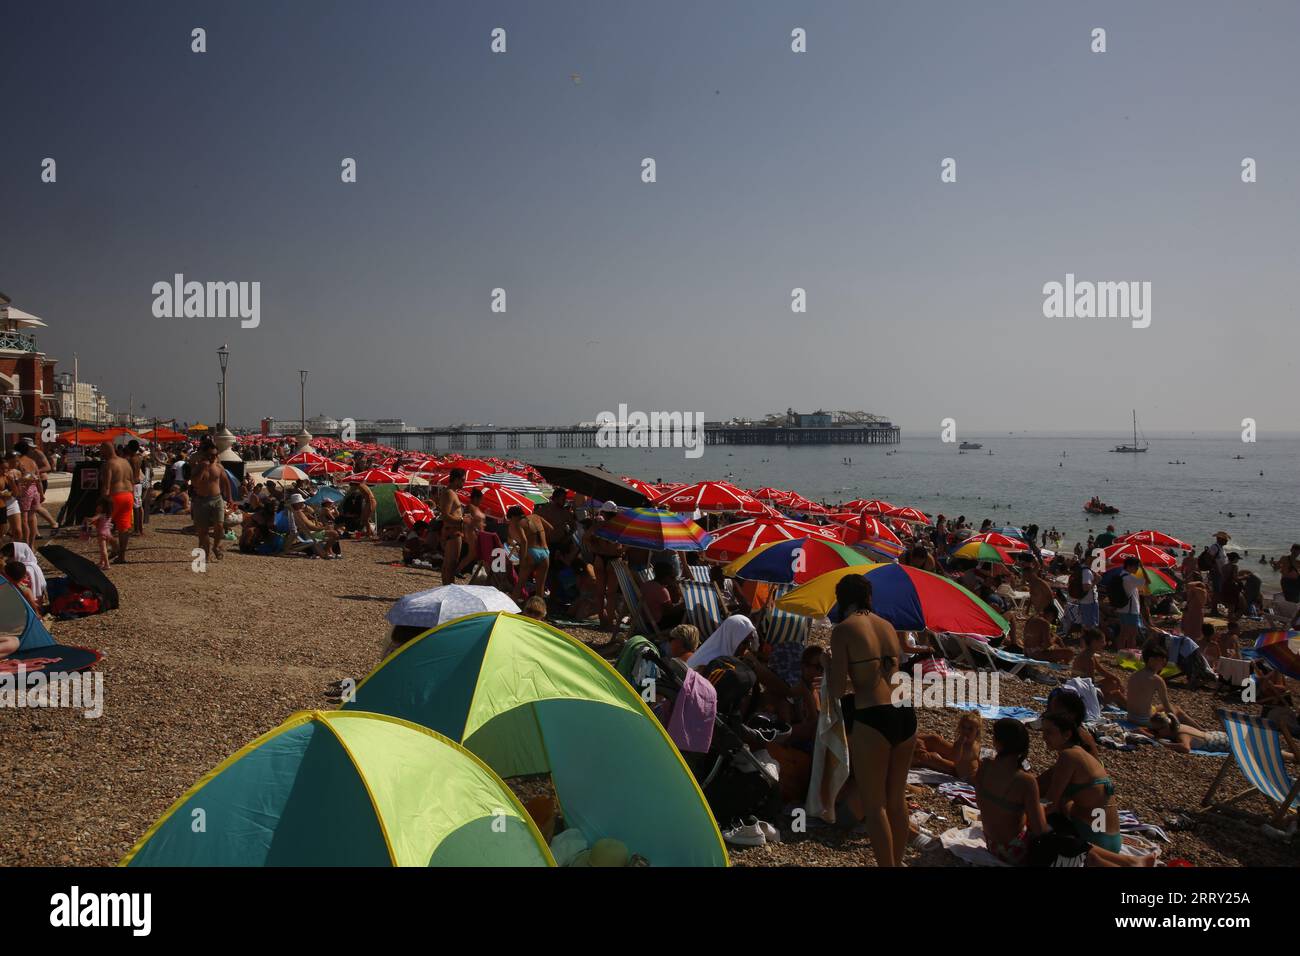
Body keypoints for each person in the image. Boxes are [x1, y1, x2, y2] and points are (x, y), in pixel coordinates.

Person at [826, 574, 914, 867]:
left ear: (842, 600)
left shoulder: (843, 630)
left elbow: (838, 690)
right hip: (905, 712)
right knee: (897, 800)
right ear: (868, 598)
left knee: (875, 806)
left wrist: (828, 665)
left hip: (873, 716)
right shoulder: (888, 626)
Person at [1125, 640, 1199, 729]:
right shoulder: (1156, 679)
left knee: (1160, 707)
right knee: (1177, 710)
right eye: (1162, 660)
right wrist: (1175, 724)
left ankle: (1200, 729)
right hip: (1145, 721)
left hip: (1130, 717)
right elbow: (1167, 707)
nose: (1163, 664)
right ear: (1151, 660)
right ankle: (1201, 731)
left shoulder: (1134, 675)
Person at [189, 441, 232, 563]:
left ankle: (216, 546)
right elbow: (195, 483)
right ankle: (206, 554)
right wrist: (203, 468)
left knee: (219, 526)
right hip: (201, 501)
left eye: (215, 455)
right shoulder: (198, 467)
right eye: (210, 455)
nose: (213, 457)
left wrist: (229, 497)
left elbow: (225, 481)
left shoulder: (218, 466)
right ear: (204, 454)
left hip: (217, 499)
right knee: (203, 531)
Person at [913, 712, 981, 781]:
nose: (966, 731)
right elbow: (955, 759)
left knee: (934, 754)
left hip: (973, 773)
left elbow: (976, 757)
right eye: (963, 727)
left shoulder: (976, 744)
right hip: (963, 775)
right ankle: (910, 741)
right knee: (933, 745)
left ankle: (919, 750)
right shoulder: (959, 744)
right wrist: (960, 744)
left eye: (970, 729)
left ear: (977, 731)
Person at [506, 505, 553, 601]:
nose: (511, 522)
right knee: (540, 587)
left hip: (531, 552)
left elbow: (524, 541)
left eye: (510, 520)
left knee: (519, 585)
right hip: (545, 552)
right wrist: (542, 538)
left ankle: (510, 611)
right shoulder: (536, 516)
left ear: (513, 517)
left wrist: (522, 560)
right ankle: (539, 613)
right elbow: (550, 528)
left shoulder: (519, 523)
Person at [98, 441, 135, 563]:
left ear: (105, 450)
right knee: (124, 528)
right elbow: (132, 480)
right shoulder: (125, 462)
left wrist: (102, 501)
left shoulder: (109, 464)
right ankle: (121, 556)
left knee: (102, 524)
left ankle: (115, 546)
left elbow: (106, 486)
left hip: (115, 496)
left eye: (101, 449)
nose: (100, 452)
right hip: (128, 495)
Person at [1071, 629, 1127, 709]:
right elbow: (1091, 685)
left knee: (1112, 682)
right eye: (1102, 641)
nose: (1104, 644)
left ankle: (1123, 705)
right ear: (1094, 642)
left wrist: (1117, 679)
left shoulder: (1089, 654)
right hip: (1083, 697)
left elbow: (1102, 671)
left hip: (1080, 690)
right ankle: (1134, 713)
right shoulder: (1088, 659)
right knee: (1117, 695)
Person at [437, 469, 467, 585]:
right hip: (453, 531)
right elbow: (445, 515)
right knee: (451, 566)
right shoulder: (450, 493)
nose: (464, 483)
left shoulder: (450, 492)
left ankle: (446, 590)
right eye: (463, 480)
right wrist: (463, 520)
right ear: (456, 479)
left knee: (447, 565)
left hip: (450, 531)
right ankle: (448, 591)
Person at [639, 560, 686, 630]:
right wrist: (684, 605)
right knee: (686, 613)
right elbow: (670, 611)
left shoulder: (646, 584)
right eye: (672, 577)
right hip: (657, 624)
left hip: (645, 621)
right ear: (665, 577)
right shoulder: (662, 590)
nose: (674, 579)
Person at [1116, 556, 1144, 649]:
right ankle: (1130, 654)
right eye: (1136, 566)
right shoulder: (1130, 578)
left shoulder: (1121, 575)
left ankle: (1121, 653)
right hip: (1130, 610)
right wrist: (1143, 568)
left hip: (1122, 608)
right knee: (1132, 634)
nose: (1137, 569)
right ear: (1129, 566)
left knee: (1123, 633)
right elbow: (1147, 581)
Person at [1180, 571, 1208, 642]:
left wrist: (1199, 582)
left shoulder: (1200, 590)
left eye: (1190, 577)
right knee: (1188, 632)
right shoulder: (1193, 589)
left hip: (1196, 613)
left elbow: (1189, 584)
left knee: (1195, 633)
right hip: (1190, 612)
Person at [88, 497, 114, 569]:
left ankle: (107, 564)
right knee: (105, 548)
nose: (97, 507)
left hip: (101, 533)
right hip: (108, 533)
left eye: (99, 505)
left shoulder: (100, 515)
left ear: (103, 507)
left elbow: (92, 519)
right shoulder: (109, 515)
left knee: (103, 549)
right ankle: (101, 562)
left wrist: (86, 518)